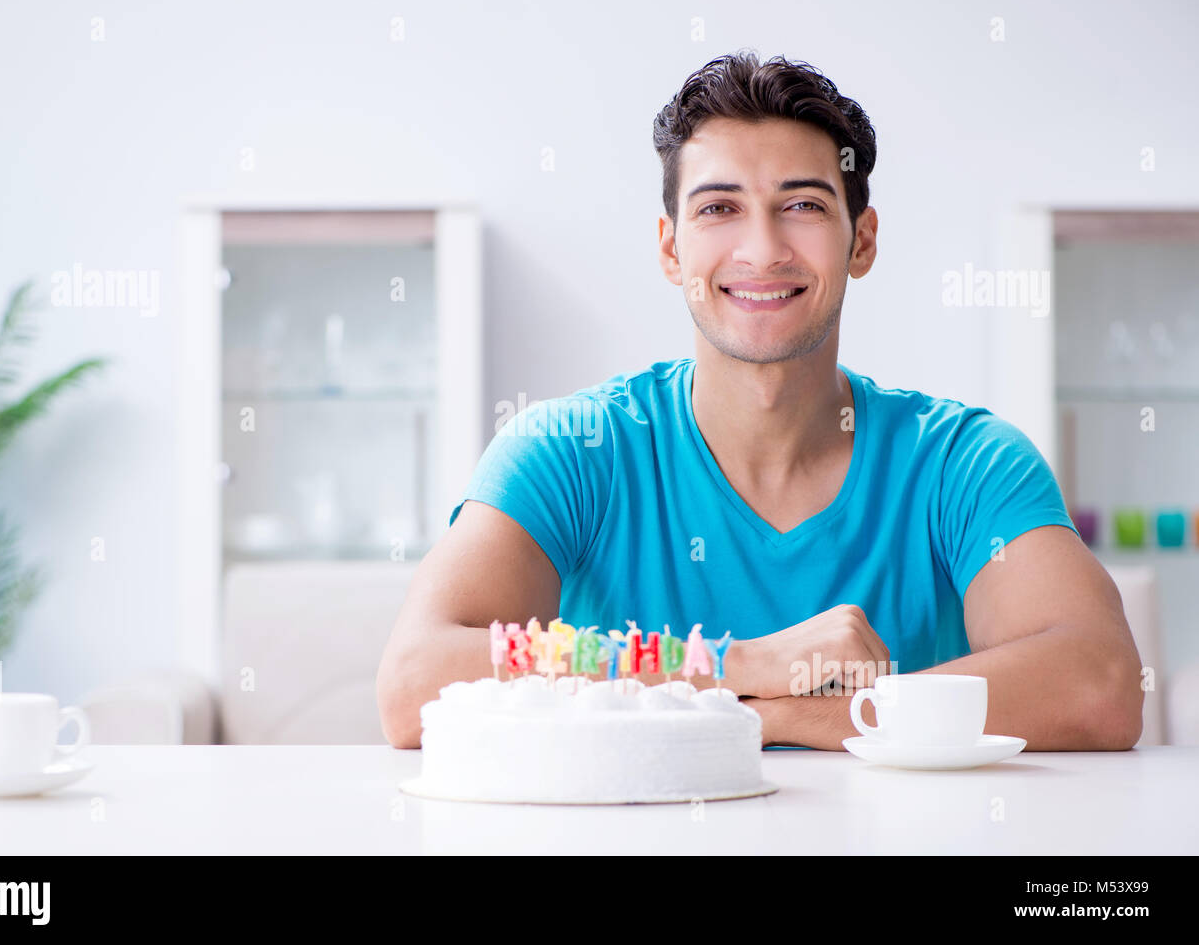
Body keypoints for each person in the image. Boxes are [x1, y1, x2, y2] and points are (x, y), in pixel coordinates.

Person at [377, 50, 1143, 751]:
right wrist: (743, 661)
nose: (762, 249)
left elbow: (1100, 685)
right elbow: (415, 683)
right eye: (718, 209)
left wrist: (771, 711)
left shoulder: (962, 463)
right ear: (672, 248)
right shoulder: (570, 448)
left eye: (803, 205)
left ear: (862, 240)